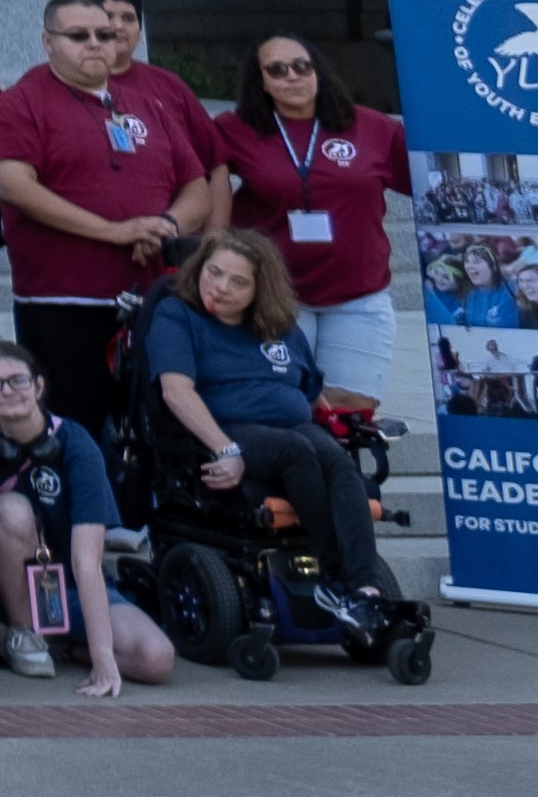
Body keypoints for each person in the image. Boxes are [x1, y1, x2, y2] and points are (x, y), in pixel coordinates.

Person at [0, 0, 224, 428]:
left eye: (105, 35)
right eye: (78, 36)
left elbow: (196, 186)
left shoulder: (147, 102)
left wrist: (162, 225)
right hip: (63, 301)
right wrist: (115, 231)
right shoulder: (21, 102)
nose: (95, 43)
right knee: (75, 428)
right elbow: (13, 185)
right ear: (48, 42)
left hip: (152, 297)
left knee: (154, 428)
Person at [149, 229, 401, 618]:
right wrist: (226, 449)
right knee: (296, 450)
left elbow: (312, 391)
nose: (219, 288)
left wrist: (339, 425)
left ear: (260, 290)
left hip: (292, 428)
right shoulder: (177, 314)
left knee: (337, 462)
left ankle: (365, 587)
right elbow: (176, 392)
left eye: (238, 282)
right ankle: (332, 577)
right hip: (226, 429)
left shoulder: (278, 324)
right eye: (213, 273)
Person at [0, 340, 173, 694]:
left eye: (17, 380)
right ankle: (23, 633)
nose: (6, 391)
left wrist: (103, 660)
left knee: (156, 659)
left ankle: (64, 645)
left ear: (38, 385)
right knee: (12, 508)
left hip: (69, 585)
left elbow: (87, 561)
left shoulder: (77, 445)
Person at [215, 32, 407, 403]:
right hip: (276, 294)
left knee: (353, 410)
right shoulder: (234, 129)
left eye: (302, 66)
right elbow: (199, 179)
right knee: (288, 405)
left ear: (318, 71)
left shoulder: (372, 127)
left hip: (358, 295)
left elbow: (433, 179)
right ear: (262, 81)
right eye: (277, 69)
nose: (292, 76)